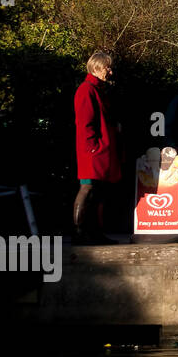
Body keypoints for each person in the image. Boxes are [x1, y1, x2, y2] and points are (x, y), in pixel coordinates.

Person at [73, 50, 122, 245]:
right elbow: (84, 122)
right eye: (107, 68)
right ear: (96, 68)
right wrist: (93, 146)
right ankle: (78, 232)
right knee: (87, 189)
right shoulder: (86, 89)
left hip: (100, 149)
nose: (110, 71)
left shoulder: (98, 89)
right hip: (93, 151)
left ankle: (93, 232)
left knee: (98, 192)